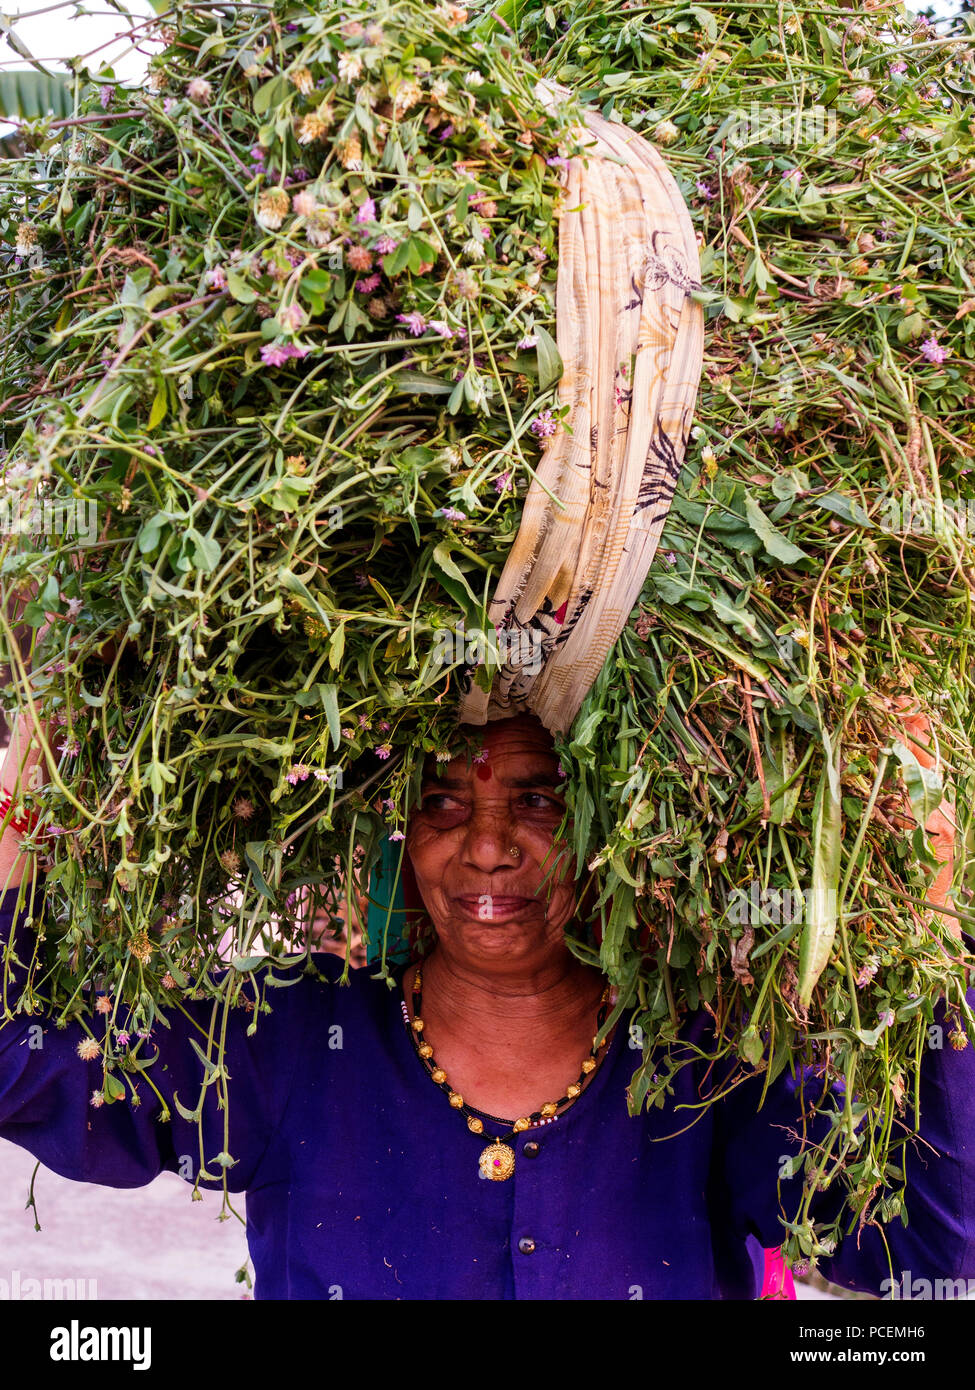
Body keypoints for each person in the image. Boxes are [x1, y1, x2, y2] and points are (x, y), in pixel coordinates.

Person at [0, 708, 972, 1300]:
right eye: (444, 804)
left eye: (540, 803)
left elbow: (925, 1245)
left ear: (615, 829)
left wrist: (924, 935)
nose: (489, 848)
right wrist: (29, 799)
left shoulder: (703, 1054)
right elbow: (24, 1059)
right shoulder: (289, 1038)